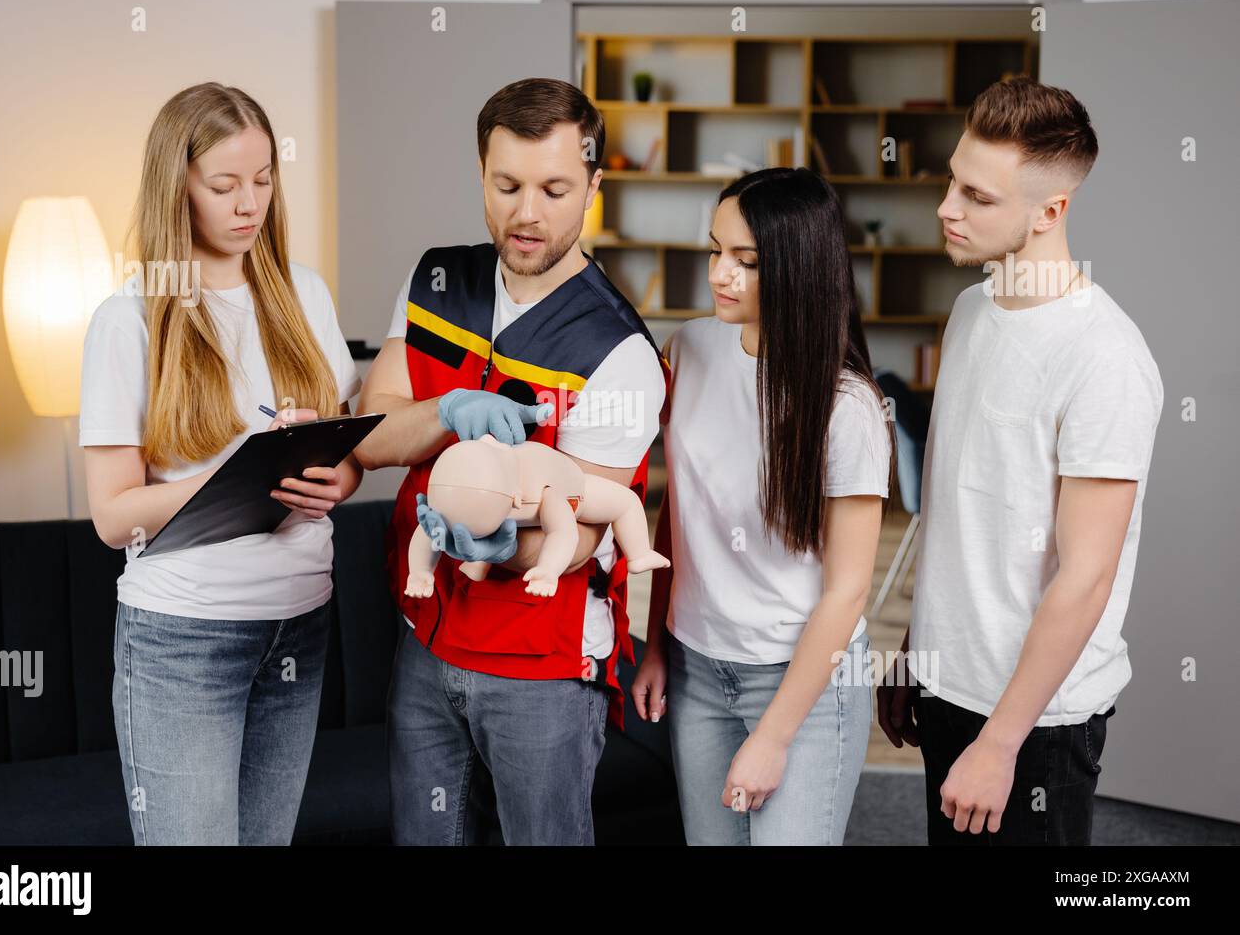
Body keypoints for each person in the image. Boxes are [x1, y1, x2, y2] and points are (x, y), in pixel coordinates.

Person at [353, 78, 666, 845]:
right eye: (508, 185)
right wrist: (444, 411)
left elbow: (586, 535)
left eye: (556, 188)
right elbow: (368, 434)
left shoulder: (618, 351)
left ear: (594, 185)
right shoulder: (436, 282)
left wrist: (495, 545)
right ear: (482, 176)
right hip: (424, 638)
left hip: (540, 665)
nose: (528, 213)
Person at [878, 77, 1164, 845]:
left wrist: (1001, 741)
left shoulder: (1103, 357)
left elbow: (1087, 575)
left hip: (1035, 720)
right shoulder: (972, 310)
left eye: (977, 195)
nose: (947, 207)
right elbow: (965, 510)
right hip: (950, 685)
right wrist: (917, 652)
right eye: (952, 181)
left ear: (1050, 211)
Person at [79, 82, 364, 844]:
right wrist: (237, 471)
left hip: (299, 621)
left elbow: (347, 450)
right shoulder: (129, 318)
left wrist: (337, 475)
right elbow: (112, 515)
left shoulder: (304, 292)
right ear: (178, 187)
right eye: (225, 185)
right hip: (183, 636)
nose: (250, 204)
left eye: (265, 180)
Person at [631, 168, 895, 845]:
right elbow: (680, 514)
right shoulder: (687, 349)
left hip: (802, 682)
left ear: (798, 268)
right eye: (715, 251)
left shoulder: (848, 407)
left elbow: (848, 591)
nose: (721, 274)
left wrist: (775, 736)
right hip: (695, 667)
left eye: (745, 262)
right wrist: (657, 642)